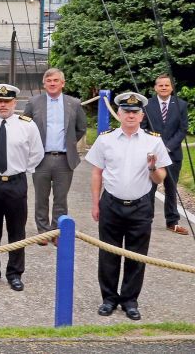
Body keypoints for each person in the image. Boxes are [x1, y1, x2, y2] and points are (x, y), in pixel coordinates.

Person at [87, 92, 171, 321]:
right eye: (126, 111)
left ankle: (130, 301)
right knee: (108, 254)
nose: (131, 115)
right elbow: (96, 173)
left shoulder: (153, 141)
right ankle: (108, 299)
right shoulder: (105, 139)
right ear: (119, 114)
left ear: (142, 115)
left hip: (141, 206)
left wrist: (153, 167)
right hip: (111, 204)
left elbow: (160, 178)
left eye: (135, 112)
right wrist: (95, 203)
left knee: (137, 255)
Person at [0, 84, 43, 291]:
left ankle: (14, 273)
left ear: (14, 103)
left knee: (16, 230)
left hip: (16, 183)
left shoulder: (27, 125)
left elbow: (36, 153)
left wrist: (20, 170)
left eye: (7, 101)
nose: (3, 105)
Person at [22, 68, 86, 245]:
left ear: (62, 83)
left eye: (56, 80)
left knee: (61, 198)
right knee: (41, 197)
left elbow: (81, 128)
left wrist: (70, 143)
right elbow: (24, 126)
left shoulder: (74, 103)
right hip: (40, 158)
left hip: (65, 159)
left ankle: (57, 231)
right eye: (48, 80)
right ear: (44, 84)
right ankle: (43, 232)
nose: (52, 83)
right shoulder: (34, 102)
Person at [141, 74, 190, 236]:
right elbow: (143, 128)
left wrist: (167, 147)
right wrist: (154, 147)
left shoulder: (181, 105)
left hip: (173, 154)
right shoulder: (147, 105)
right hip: (152, 154)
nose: (163, 88)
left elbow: (183, 129)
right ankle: (146, 220)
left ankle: (172, 222)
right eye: (160, 85)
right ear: (155, 87)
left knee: (171, 188)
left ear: (171, 88)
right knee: (149, 188)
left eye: (166, 85)